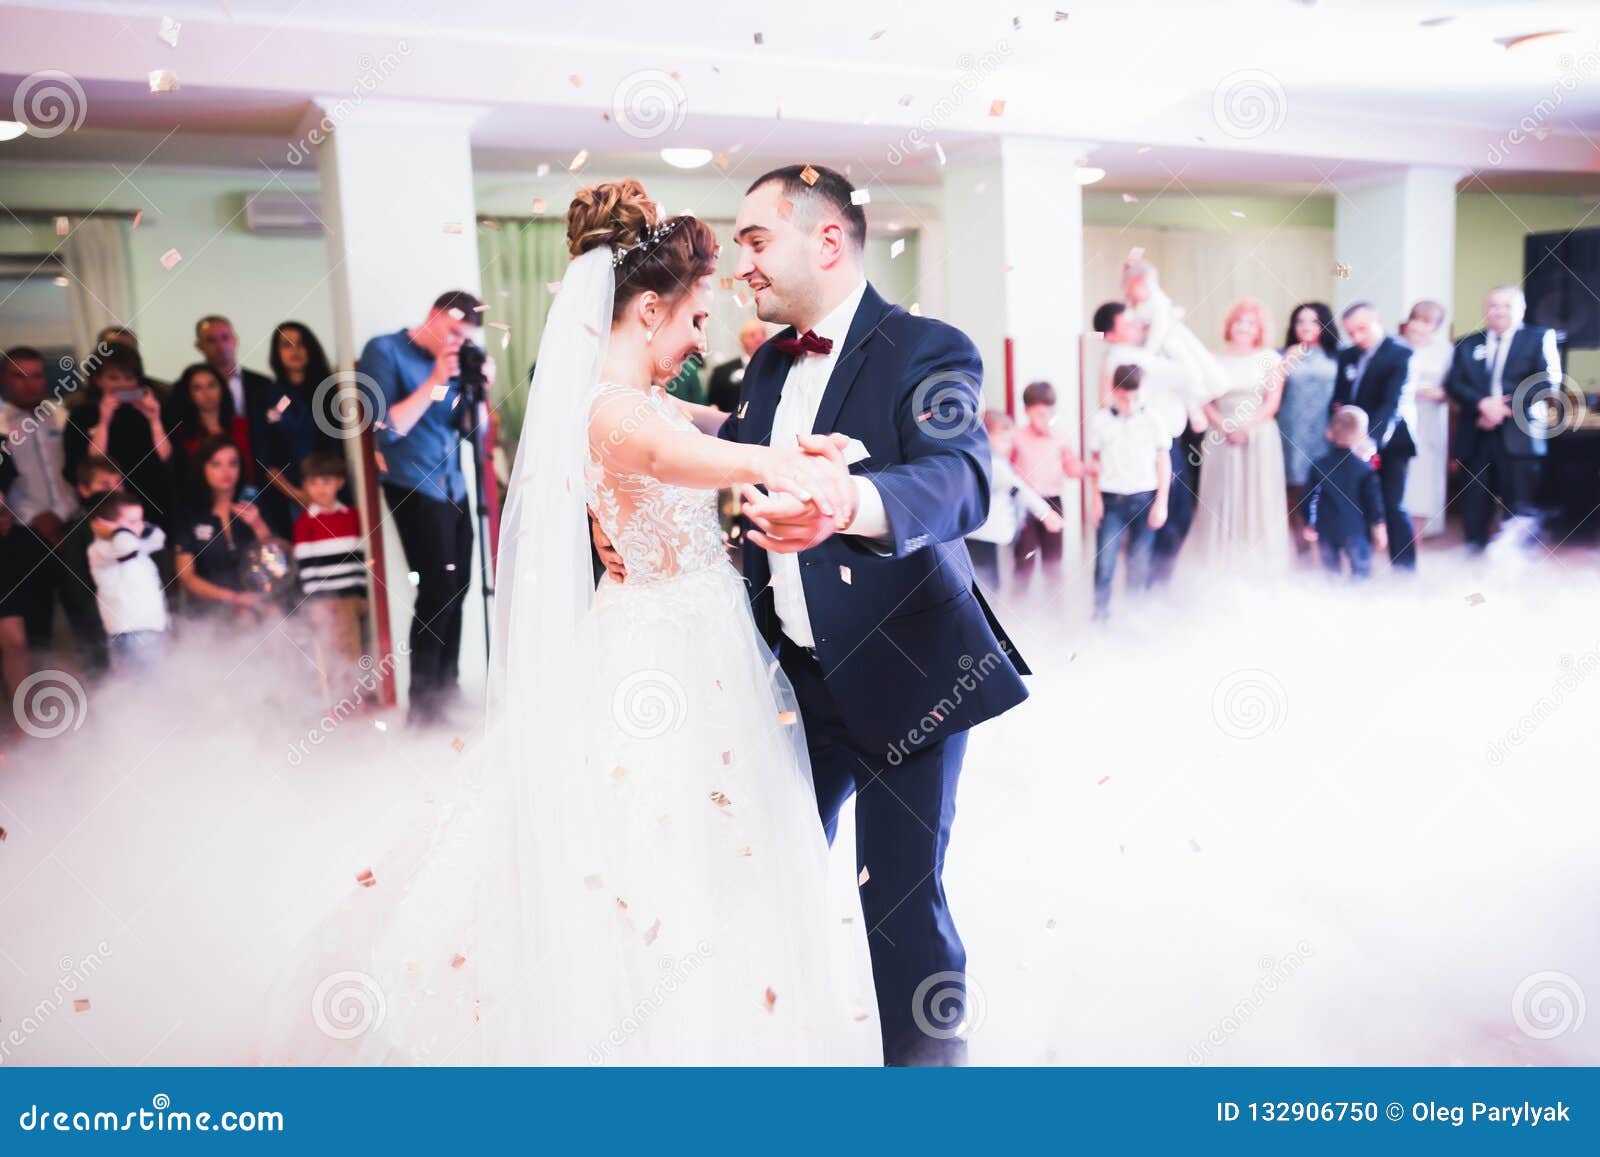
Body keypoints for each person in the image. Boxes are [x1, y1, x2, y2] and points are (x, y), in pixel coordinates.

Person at [267, 178, 882, 1066]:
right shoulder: (614, 414)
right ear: (644, 308)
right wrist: (797, 461)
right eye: (695, 318)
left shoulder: (651, 400)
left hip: (694, 640)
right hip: (657, 657)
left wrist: (803, 433)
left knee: (706, 844)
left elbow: (720, 420)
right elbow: (704, 455)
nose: (703, 337)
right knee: (648, 853)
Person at [701, 163, 1028, 1065]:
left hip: (910, 674)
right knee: (753, 869)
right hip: (792, 682)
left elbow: (962, 480)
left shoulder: (928, 346)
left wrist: (849, 501)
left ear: (829, 240)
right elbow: (735, 451)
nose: (744, 265)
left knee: (898, 902)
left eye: (757, 241)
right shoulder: (769, 360)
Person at [355, 291, 486, 726]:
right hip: (412, 484)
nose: (455, 343)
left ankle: (447, 691)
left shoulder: (456, 362)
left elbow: (467, 431)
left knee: (460, 586)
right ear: (433, 316)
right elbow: (385, 430)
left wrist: (475, 391)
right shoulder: (384, 350)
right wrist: (434, 380)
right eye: (451, 332)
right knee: (435, 592)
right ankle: (424, 707)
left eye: (463, 338)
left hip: (454, 484)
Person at [1442, 285, 1562, 550]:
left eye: (1506, 305)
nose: (1498, 311)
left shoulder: (1539, 337)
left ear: (1522, 309)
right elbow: (1454, 384)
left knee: (1519, 503)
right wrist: (1483, 404)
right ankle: (1473, 556)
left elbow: (1547, 383)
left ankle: (1517, 563)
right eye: (1493, 306)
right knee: (1473, 503)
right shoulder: (1467, 342)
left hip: (1519, 435)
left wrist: (1503, 409)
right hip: (1475, 433)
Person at [1092, 301, 1204, 582]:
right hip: (1157, 452)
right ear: (1112, 334)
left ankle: (1152, 591)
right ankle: (1154, 591)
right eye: (1129, 323)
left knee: (1168, 522)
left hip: (1163, 446)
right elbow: (1189, 374)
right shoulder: (1129, 359)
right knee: (1169, 522)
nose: (1139, 325)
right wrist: (1168, 331)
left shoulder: (1135, 355)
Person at [1187, 299, 1292, 571]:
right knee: (1219, 494)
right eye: (1238, 321)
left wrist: (1247, 427)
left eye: (1250, 323)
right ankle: (1218, 559)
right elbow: (1204, 399)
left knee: (1259, 495)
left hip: (1259, 434)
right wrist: (1223, 425)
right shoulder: (1212, 358)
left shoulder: (1270, 358)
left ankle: (1258, 560)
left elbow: (1272, 402)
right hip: (1220, 433)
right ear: (1229, 326)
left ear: (1259, 329)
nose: (1243, 327)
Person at [1, 345, 81, 648]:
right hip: (22, 534)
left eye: (36, 375)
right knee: (36, 621)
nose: (29, 383)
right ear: (6, 379)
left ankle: (100, 683)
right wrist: (34, 516)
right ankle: (38, 692)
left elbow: (74, 471)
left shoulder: (61, 417)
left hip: (69, 526)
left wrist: (59, 515)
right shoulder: (1, 425)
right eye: (19, 376)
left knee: (83, 611)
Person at [1333, 302, 1417, 570]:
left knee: (1392, 505)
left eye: (1362, 329)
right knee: (1358, 505)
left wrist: (1370, 442)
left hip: (1391, 442)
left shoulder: (1400, 354)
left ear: (1378, 320)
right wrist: (1340, 429)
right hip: (1351, 442)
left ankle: (1404, 570)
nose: (1356, 337)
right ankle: (1361, 567)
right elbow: (1340, 398)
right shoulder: (1347, 356)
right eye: (1350, 332)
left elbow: (1392, 404)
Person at [1087, 364, 1171, 620]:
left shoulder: (1154, 420)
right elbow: (1095, 462)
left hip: (1144, 498)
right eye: (1124, 397)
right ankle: (1100, 616)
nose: (1129, 403)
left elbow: (1163, 462)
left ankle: (1134, 616)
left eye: (1135, 397)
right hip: (1112, 500)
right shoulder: (1100, 421)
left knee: (1138, 561)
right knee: (1105, 563)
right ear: (1113, 391)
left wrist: (1161, 503)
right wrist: (1095, 499)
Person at [172, 436, 282, 622]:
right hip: (210, 616)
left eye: (233, 464)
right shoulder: (190, 515)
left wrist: (258, 525)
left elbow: (279, 563)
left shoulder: (255, 506)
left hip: (259, 609)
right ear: (202, 468)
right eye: (216, 464)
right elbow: (187, 577)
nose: (226, 471)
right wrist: (235, 598)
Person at [63, 344, 174, 528]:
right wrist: (104, 420)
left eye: (129, 377)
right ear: (98, 379)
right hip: (107, 506)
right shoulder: (82, 414)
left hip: (155, 502)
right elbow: (92, 464)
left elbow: (167, 459)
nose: (122, 384)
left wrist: (154, 420)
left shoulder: (152, 408)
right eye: (113, 378)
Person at [290, 450, 368, 706]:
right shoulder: (305, 523)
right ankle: (330, 697)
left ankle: (353, 695)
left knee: (351, 645)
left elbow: (359, 560)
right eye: (313, 483)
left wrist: (363, 594)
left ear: (339, 483)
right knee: (326, 645)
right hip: (323, 599)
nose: (320, 489)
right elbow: (307, 567)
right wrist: (314, 601)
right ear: (305, 486)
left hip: (348, 596)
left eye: (326, 482)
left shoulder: (353, 517)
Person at [258, 321, 339, 536]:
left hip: (335, 494)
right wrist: (299, 496)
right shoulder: (268, 395)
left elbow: (340, 448)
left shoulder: (331, 391)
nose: (295, 350)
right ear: (277, 353)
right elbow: (264, 457)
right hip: (288, 497)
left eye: (301, 344)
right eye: (287, 345)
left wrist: (325, 492)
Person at [966, 410, 1060, 590]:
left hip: (985, 536)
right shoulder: (993, 465)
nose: (1009, 445)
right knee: (988, 586)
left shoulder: (991, 461)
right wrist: (1045, 513)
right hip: (984, 537)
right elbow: (1019, 490)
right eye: (1004, 440)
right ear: (984, 436)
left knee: (988, 584)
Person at [1275, 303, 1340, 545]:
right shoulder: (1280, 354)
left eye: (1313, 321)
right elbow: (1266, 392)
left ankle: (1328, 545)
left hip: (1327, 429)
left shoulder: (1340, 354)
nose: (1306, 327)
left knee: (1326, 487)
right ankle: (1299, 544)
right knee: (1295, 487)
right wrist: (1286, 362)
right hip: (1291, 429)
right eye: (1300, 321)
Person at [1010, 380, 1086, 584]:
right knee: (1024, 560)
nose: (1045, 420)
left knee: (1053, 560)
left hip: (1053, 502)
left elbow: (1071, 468)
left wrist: (1083, 469)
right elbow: (1008, 472)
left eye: (1049, 414)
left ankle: (1055, 609)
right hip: (1026, 506)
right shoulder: (1016, 437)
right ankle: (1019, 605)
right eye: (1039, 415)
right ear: (1027, 411)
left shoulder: (1060, 437)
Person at [85, 490, 169, 672]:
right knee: (139, 687)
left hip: (150, 626)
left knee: (155, 684)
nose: (139, 527)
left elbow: (158, 539)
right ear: (103, 525)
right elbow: (126, 548)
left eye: (141, 520)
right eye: (132, 522)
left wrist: (130, 528)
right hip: (130, 630)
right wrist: (118, 532)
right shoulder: (100, 549)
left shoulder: (134, 541)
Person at [54, 455, 123, 674]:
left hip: (130, 619)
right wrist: (102, 620)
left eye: (118, 483)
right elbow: (76, 587)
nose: (113, 490)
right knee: (102, 678)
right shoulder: (77, 531)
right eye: (104, 484)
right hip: (95, 624)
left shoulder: (130, 525)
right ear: (84, 490)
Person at [1301, 406, 1388, 580]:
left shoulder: (1319, 465)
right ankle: (1357, 603)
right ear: (1363, 437)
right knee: (1361, 573)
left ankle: (1334, 603)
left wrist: (1309, 522)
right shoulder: (1365, 469)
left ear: (1329, 433)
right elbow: (1373, 502)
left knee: (1331, 575)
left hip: (1326, 528)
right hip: (1356, 530)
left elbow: (1307, 498)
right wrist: (1379, 526)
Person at [1398, 301, 1453, 540]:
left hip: (1429, 418)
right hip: (1400, 416)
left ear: (1436, 327)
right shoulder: (1395, 346)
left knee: (1423, 479)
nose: (1419, 326)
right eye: (1416, 319)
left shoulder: (1445, 351)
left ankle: (1415, 539)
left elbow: (1452, 386)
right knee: (1398, 479)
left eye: (1427, 322)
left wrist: (1442, 394)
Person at [193, 315, 273, 459]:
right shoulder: (191, 388)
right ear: (199, 346)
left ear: (235, 341)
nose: (220, 346)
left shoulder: (263, 384)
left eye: (225, 337)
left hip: (261, 468)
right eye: (211, 340)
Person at [165, 363, 254, 489]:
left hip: (245, 496)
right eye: (197, 388)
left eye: (211, 385)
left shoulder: (243, 426)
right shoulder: (182, 434)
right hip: (198, 499)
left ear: (222, 389)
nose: (206, 393)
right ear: (189, 395)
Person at [707, 318, 768, 413]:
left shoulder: (777, 368)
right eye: (752, 335)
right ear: (742, 340)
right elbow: (713, 406)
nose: (759, 339)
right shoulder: (722, 372)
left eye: (763, 334)